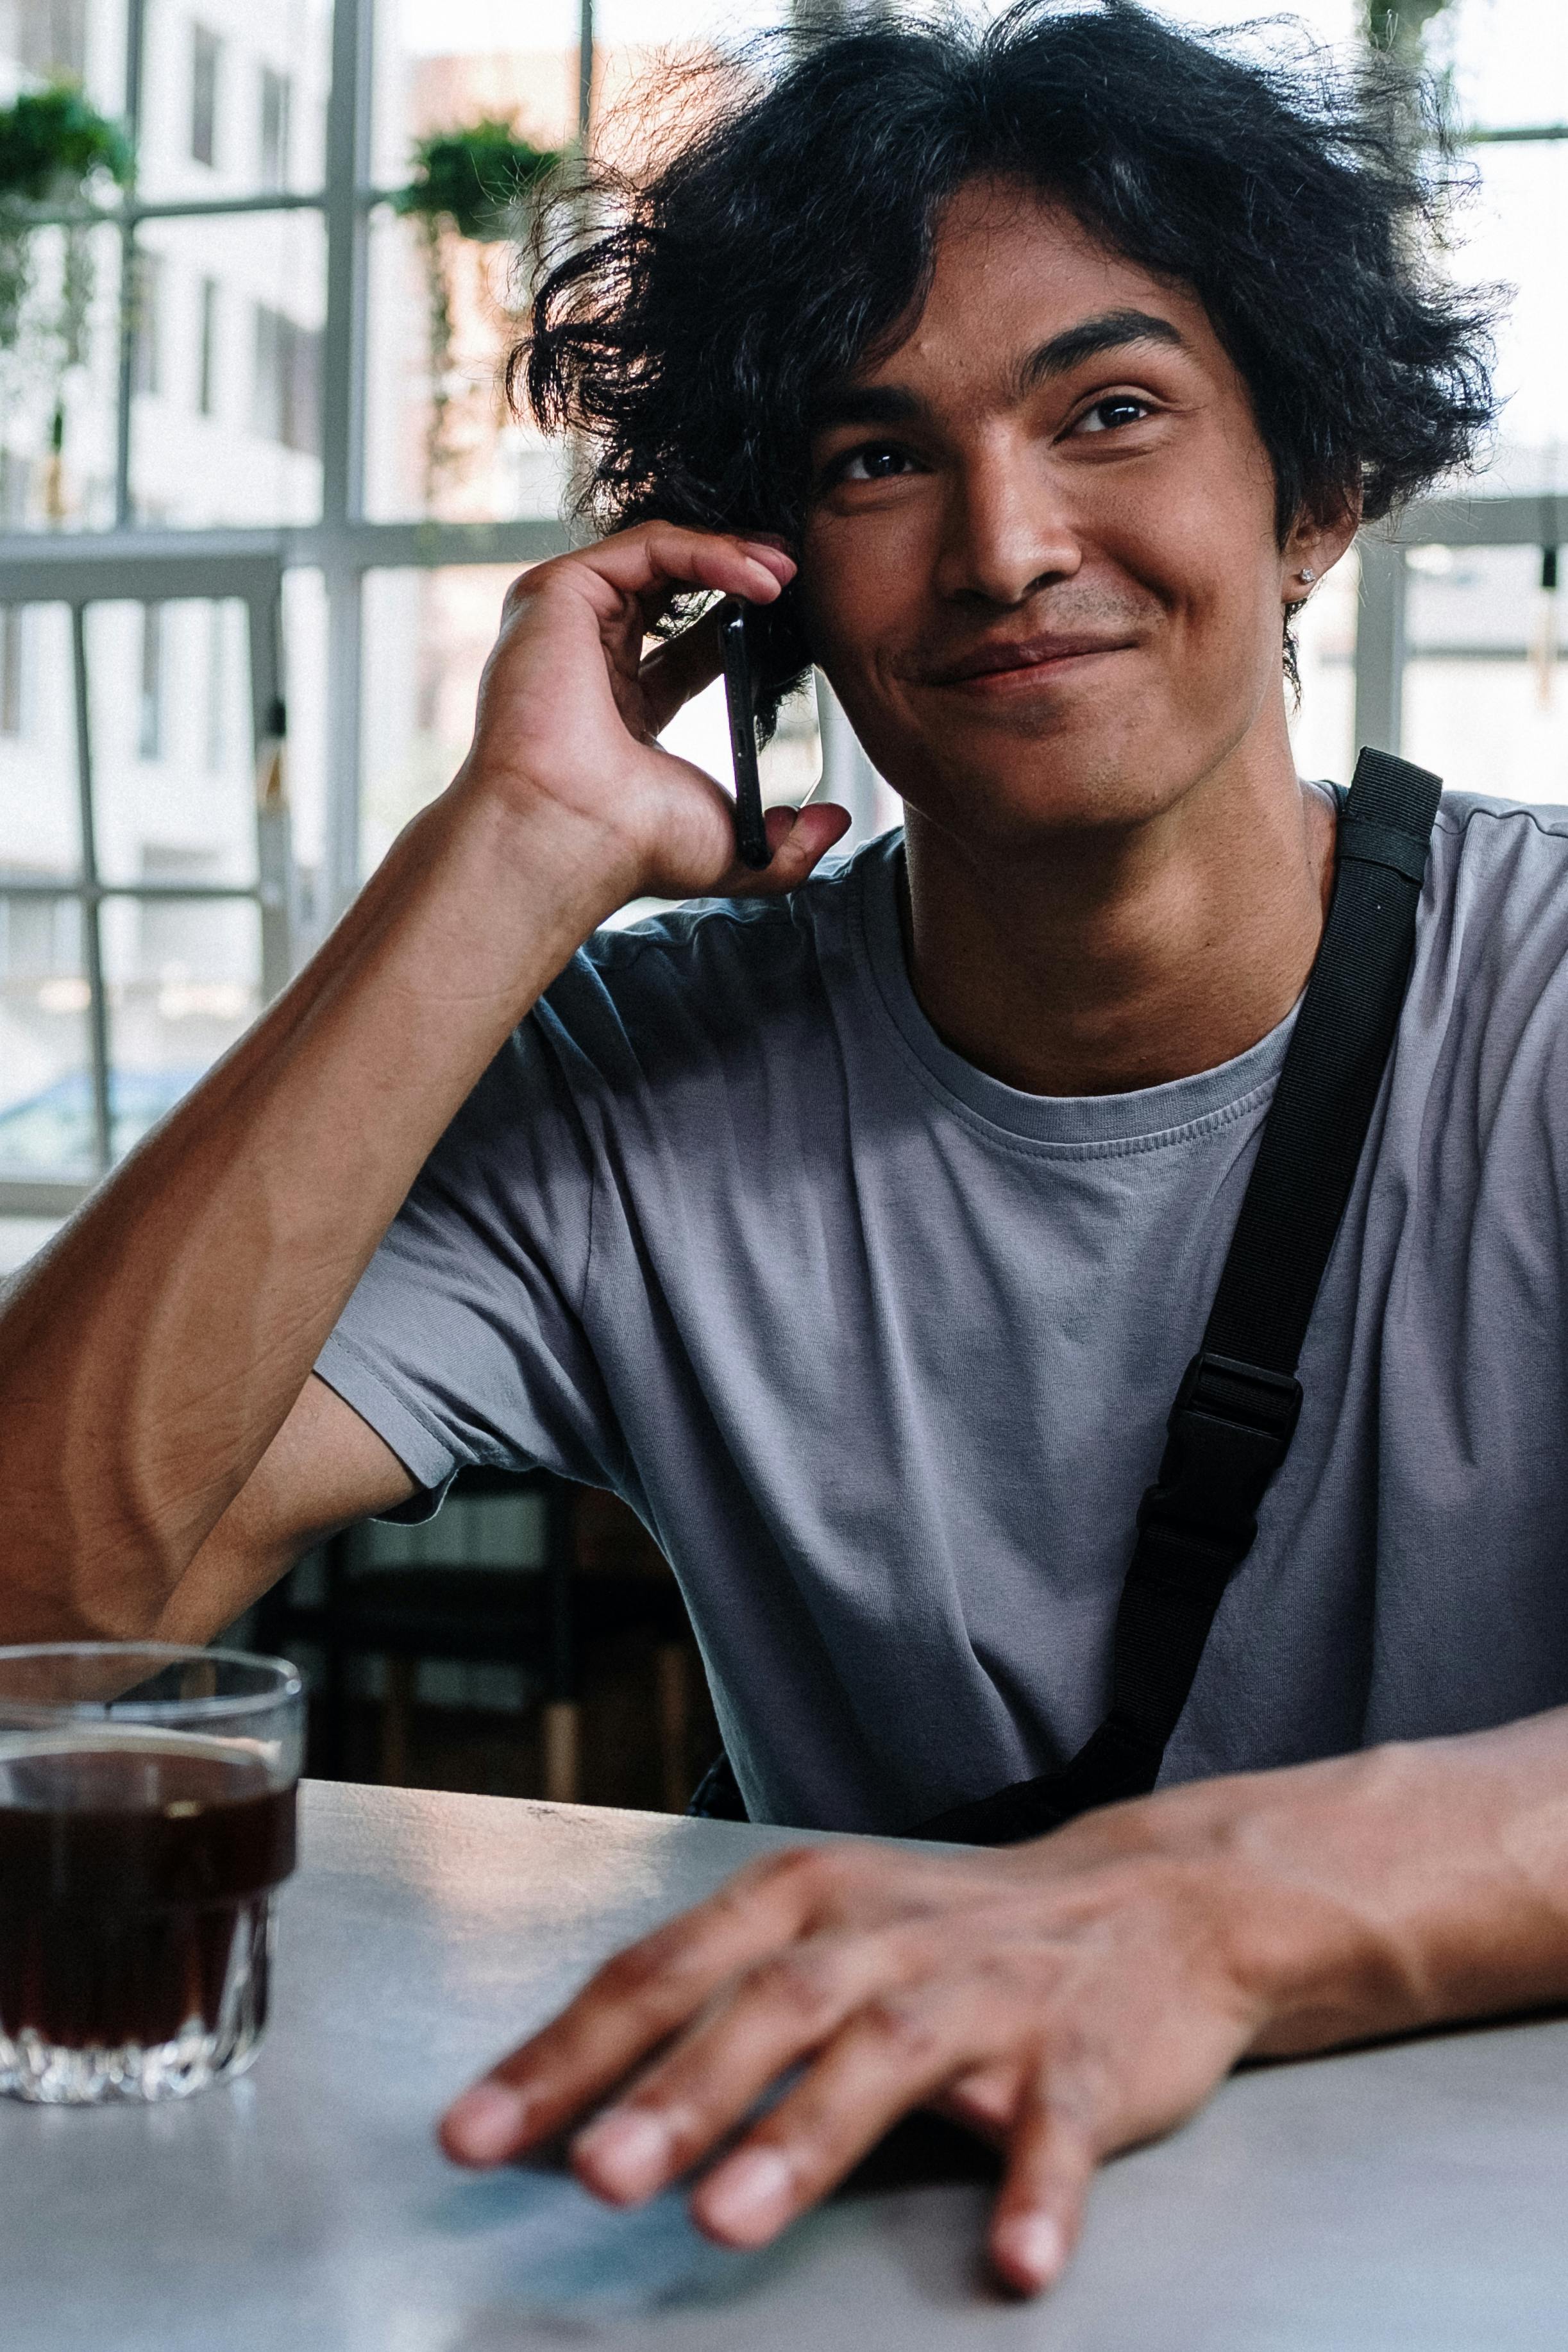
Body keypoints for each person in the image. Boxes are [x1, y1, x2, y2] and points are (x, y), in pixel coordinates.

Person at [3, 0, 1565, 2300]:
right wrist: (513, 841)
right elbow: (38, 1607)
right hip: (862, 2259)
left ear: (1314, 491)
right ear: (764, 575)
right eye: (872, 458)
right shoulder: (639, 1088)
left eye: (1111, 410)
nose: (1009, 542)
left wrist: (1203, 1911)